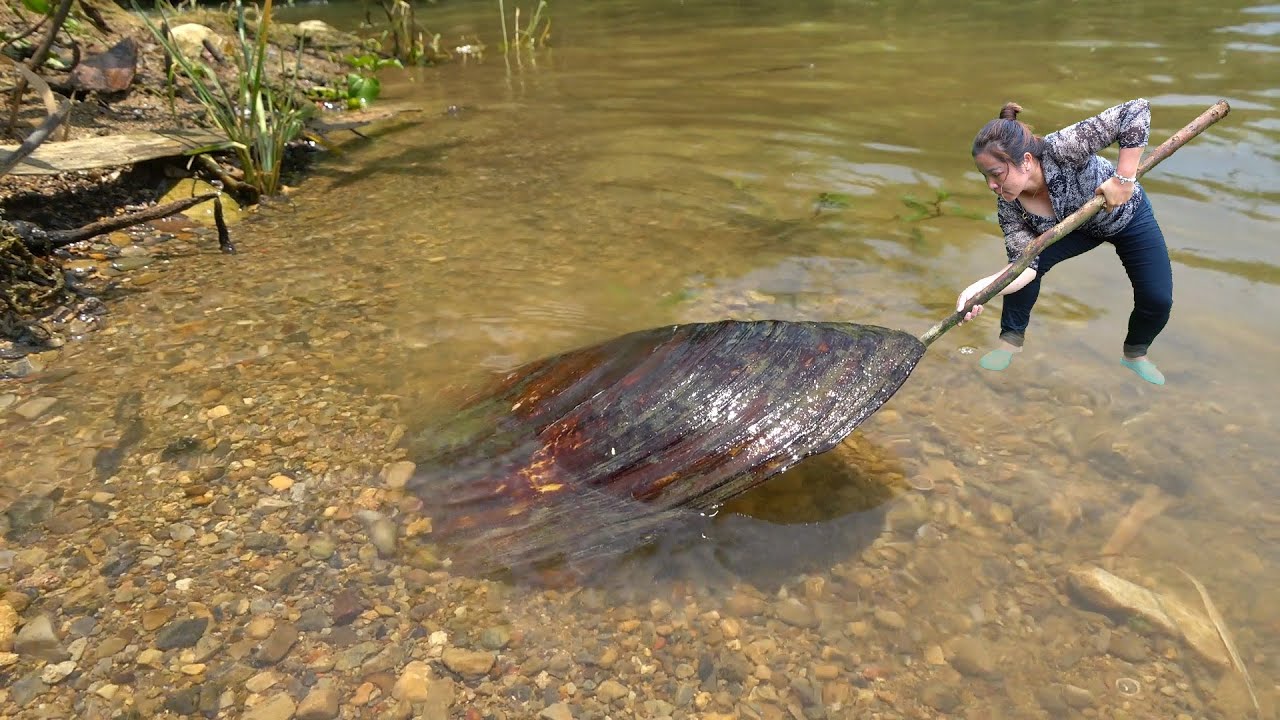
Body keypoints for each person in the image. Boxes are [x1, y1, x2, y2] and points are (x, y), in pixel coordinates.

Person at [955, 98, 1172, 385]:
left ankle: (1135, 354)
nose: (991, 186)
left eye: (996, 174)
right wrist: (980, 289)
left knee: (1157, 299)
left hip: (1126, 217)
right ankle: (1010, 340)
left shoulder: (1062, 148)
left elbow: (1136, 110)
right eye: (985, 177)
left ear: (1027, 161)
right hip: (1074, 231)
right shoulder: (1010, 207)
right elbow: (1025, 267)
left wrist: (1123, 179)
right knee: (1026, 264)